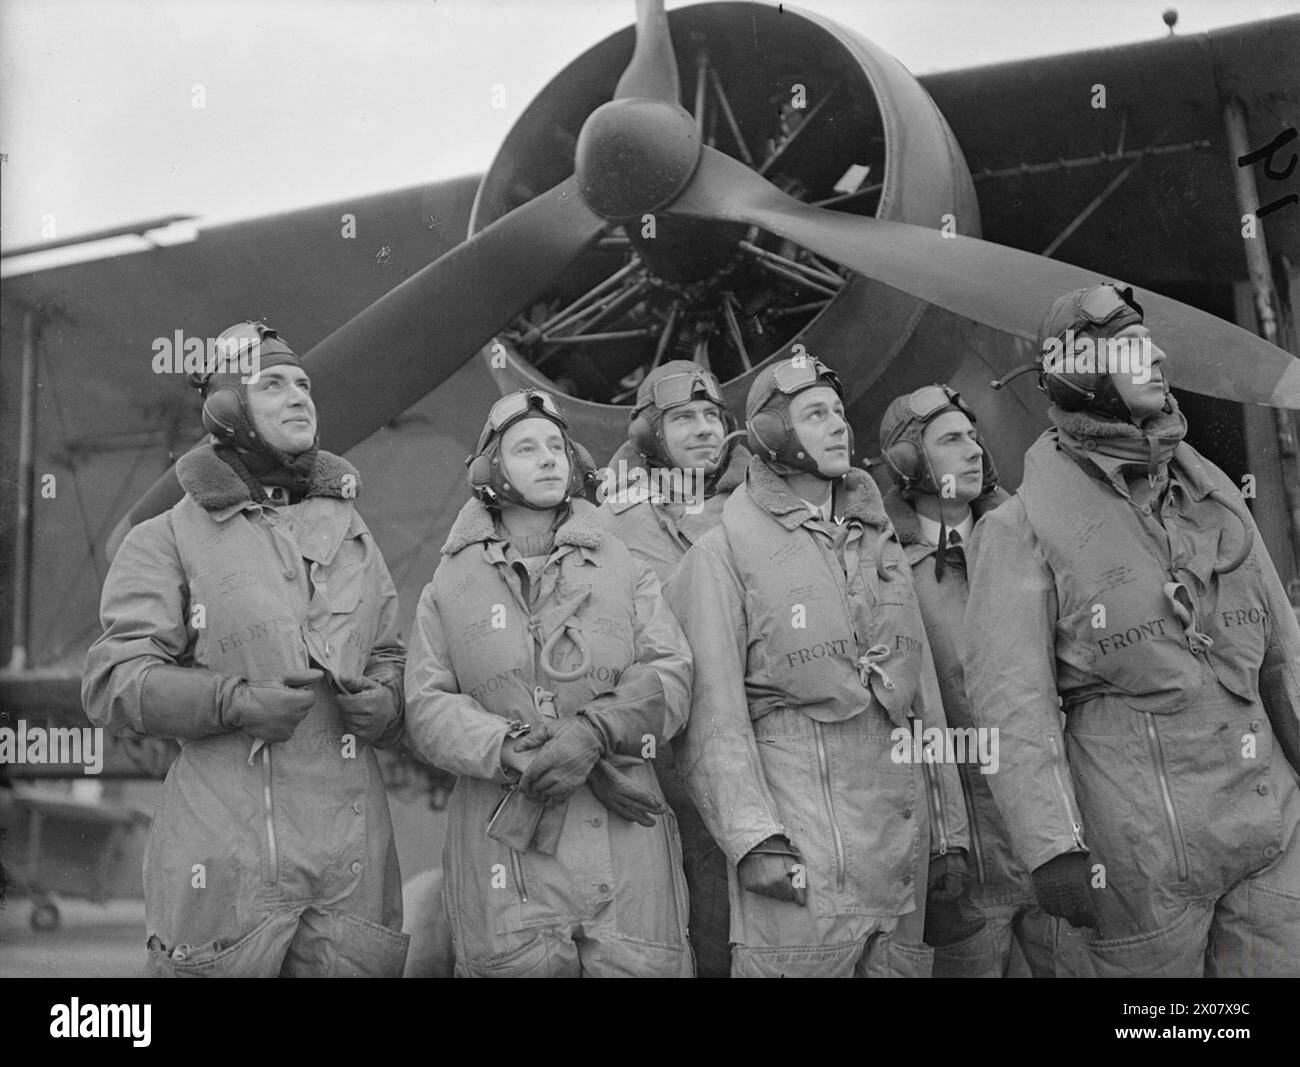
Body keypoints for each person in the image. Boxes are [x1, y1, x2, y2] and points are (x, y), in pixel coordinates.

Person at [965, 283, 1300, 977]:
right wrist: (1051, 846)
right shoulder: (1017, 528)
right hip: (1139, 867)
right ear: (1078, 371)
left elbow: (1282, 653)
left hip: (1269, 839)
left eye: (1151, 344)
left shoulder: (1216, 502)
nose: (1157, 358)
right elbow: (1011, 702)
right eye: (1129, 349)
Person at [83, 322, 409, 977]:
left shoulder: (353, 532)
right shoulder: (165, 539)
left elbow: (389, 652)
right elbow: (114, 681)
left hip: (351, 867)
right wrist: (230, 702)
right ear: (228, 409)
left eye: (304, 385)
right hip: (224, 868)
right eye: (273, 384)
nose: (299, 397)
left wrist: (389, 699)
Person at [665, 355, 970, 978]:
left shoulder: (882, 545)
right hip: (798, 869)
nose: (837, 426)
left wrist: (949, 837)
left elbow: (923, 698)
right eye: (814, 415)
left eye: (837, 412)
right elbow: (711, 716)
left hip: (901, 871)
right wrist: (753, 839)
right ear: (774, 435)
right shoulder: (719, 555)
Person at [403, 388, 695, 977]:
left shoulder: (625, 568)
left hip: (626, 847)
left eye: (557, 447)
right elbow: (425, 707)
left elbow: (672, 675)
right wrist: (509, 749)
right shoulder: (447, 587)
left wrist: (594, 732)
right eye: (525, 448)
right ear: (492, 470)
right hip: (503, 860)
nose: (547, 458)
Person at [879, 383, 1055, 977]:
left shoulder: (1033, 545)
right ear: (907, 460)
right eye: (951, 439)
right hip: (964, 864)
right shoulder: (881, 571)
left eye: (975, 437)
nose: (974, 451)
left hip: (1056, 845)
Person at [599, 360, 748, 978]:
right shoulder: (607, 528)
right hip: (661, 757)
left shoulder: (761, 513)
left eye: (713, 416)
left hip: (760, 746)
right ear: (648, 436)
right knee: (679, 926)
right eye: (683, 417)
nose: (704, 429)